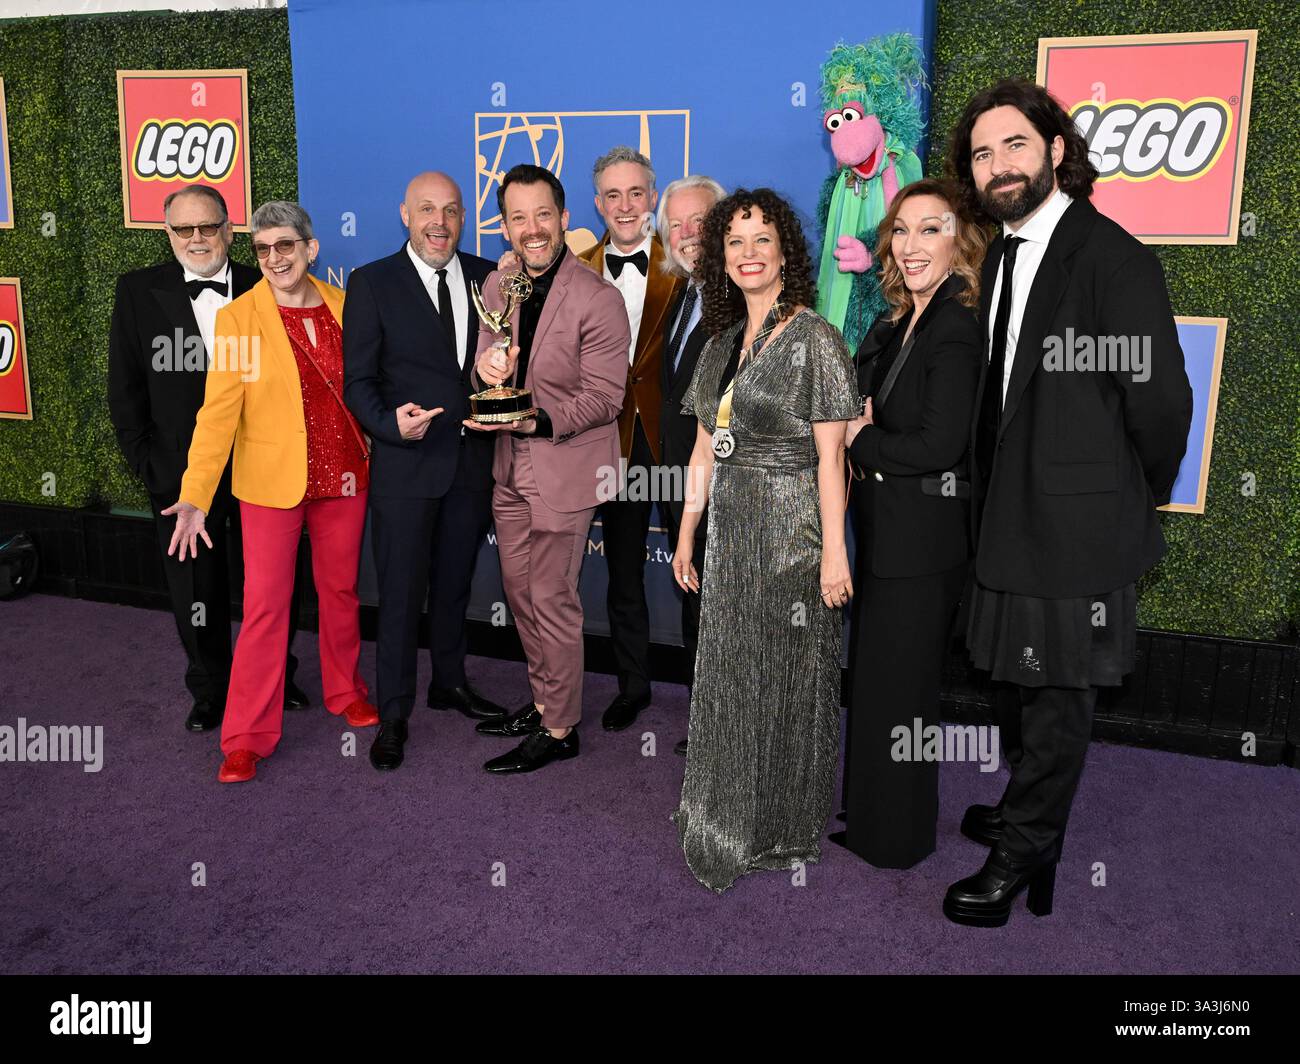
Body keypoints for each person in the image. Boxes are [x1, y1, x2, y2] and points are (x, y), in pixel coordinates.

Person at [943, 78, 1192, 925]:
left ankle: (1027, 849)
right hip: (1007, 517)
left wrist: (1129, 496)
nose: (998, 164)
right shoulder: (1000, 256)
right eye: (982, 152)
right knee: (1016, 678)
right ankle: (1027, 809)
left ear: (1056, 151)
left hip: (1078, 526)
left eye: (1015, 144)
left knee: (1059, 696)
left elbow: (1159, 400)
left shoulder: (1112, 257)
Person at [670, 188, 858, 893]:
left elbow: (833, 458)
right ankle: (724, 809)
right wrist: (688, 534)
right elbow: (701, 451)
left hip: (793, 532)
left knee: (786, 677)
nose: (749, 254)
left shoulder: (816, 339)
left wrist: (835, 555)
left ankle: (778, 823)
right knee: (730, 669)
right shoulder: (719, 344)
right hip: (730, 535)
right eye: (735, 242)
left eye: (762, 240)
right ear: (720, 257)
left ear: (787, 253)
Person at [165, 200, 380, 783]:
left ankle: (346, 689)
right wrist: (196, 494)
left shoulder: (345, 306)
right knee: (265, 608)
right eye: (262, 249)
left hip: (342, 477)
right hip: (268, 486)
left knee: (339, 591)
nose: (274, 258)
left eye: (286, 245)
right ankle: (245, 736)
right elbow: (217, 416)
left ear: (311, 249)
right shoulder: (238, 319)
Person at [107, 185, 306, 733]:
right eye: (184, 229)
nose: (197, 239)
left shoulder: (266, 281)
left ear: (229, 228)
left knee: (267, 582)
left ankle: (275, 678)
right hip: (179, 473)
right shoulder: (137, 292)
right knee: (194, 585)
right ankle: (211, 689)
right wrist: (150, 467)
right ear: (167, 234)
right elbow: (124, 392)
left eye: (209, 227)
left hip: (260, 467)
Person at [831, 178, 986, 869]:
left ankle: (896, 838)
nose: (913, 243)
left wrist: (861, 443)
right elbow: (859, 394)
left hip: (922, 546)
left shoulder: (956, 322)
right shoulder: (897, 318)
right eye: (902, 229)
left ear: (961, 241)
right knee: (876, 682)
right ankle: (869, 816)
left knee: (903, 694)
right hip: (884, 531)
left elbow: (938, 445)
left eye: (932, 228)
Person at [467, 164, 630, 774]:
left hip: (562, 467)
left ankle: (561, 728)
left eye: (542, 215)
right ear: (504, 225)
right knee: (519, 592)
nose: (531, 229)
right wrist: (487, 374)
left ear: (565, 219)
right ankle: (543, 702)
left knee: (549, 595)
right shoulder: (499, 286)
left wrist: (533, 419)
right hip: (507, 465)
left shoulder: (598, 298)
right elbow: (491, 356)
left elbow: (604, 398)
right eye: (517, 218)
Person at [343, 172, 505, 773]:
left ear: (464, 218)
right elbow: (356, 382)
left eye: (453, 211)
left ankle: (451, 682)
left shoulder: (491, 278)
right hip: (406, 466)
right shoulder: (372, 282)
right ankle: (393, 713)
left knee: (456, 585)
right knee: (401, 594)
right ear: (405, 215)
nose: (441, 221)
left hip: (469, 463)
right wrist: (390, 424)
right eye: (428, 210)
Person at [576, 147, 683, 732]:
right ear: (598, 203)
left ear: (653, 196)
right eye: (612, 195)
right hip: (606, 442)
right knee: (621, 570)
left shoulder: (685, 263)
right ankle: (632, 685)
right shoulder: (576, 270)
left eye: (635, 193)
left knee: (697, 566)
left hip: (672, 439)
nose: (624, 205)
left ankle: (712, 699)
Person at [655, 174, 726, 757]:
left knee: (722, 612)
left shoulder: (739, 300)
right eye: (675, 225)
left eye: (698, 221)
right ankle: (706, 720)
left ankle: (724, 733)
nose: (686, 234)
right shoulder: (683, 293)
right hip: (679, 481)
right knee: (695, 601)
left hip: (725, 491)